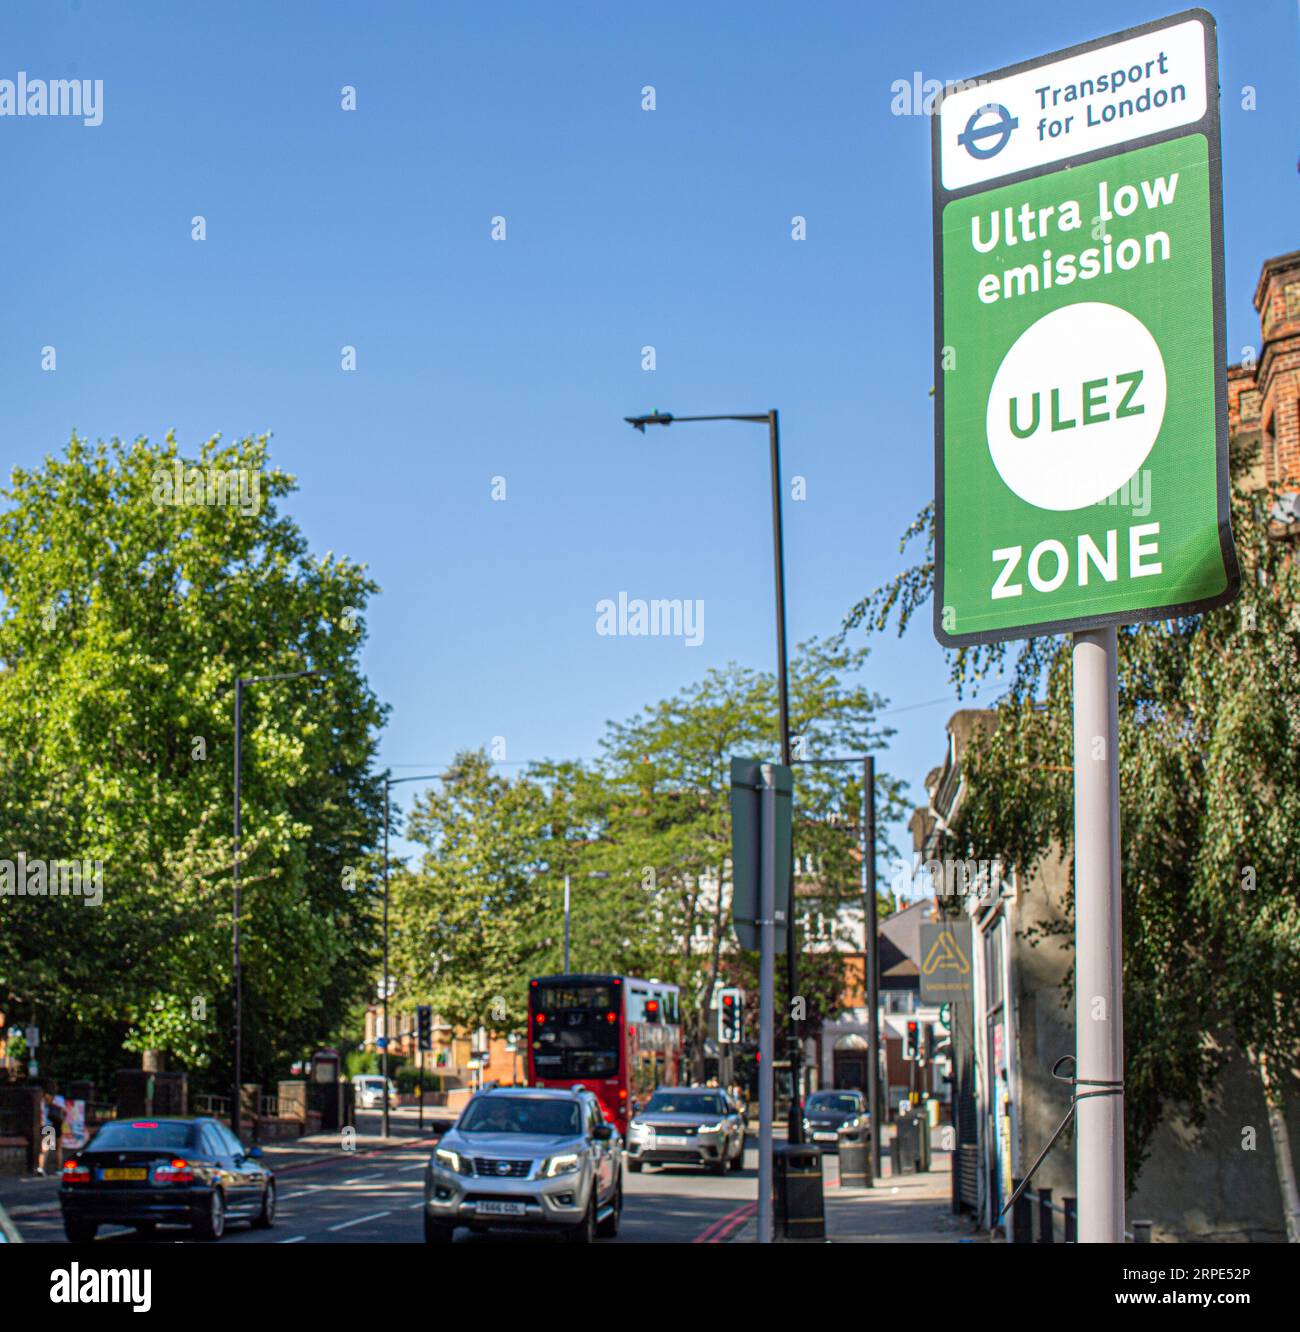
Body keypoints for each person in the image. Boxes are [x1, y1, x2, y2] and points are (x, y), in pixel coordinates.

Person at [38, 1081, 66, 1176]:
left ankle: (41, 1168)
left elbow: (41, 1112)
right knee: (58, 1149)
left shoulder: (43, 1099)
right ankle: (58, 1170)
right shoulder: (60, 1099)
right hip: (57, 1124)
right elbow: (62, 1112)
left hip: (48, 1124)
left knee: (45, 1148)